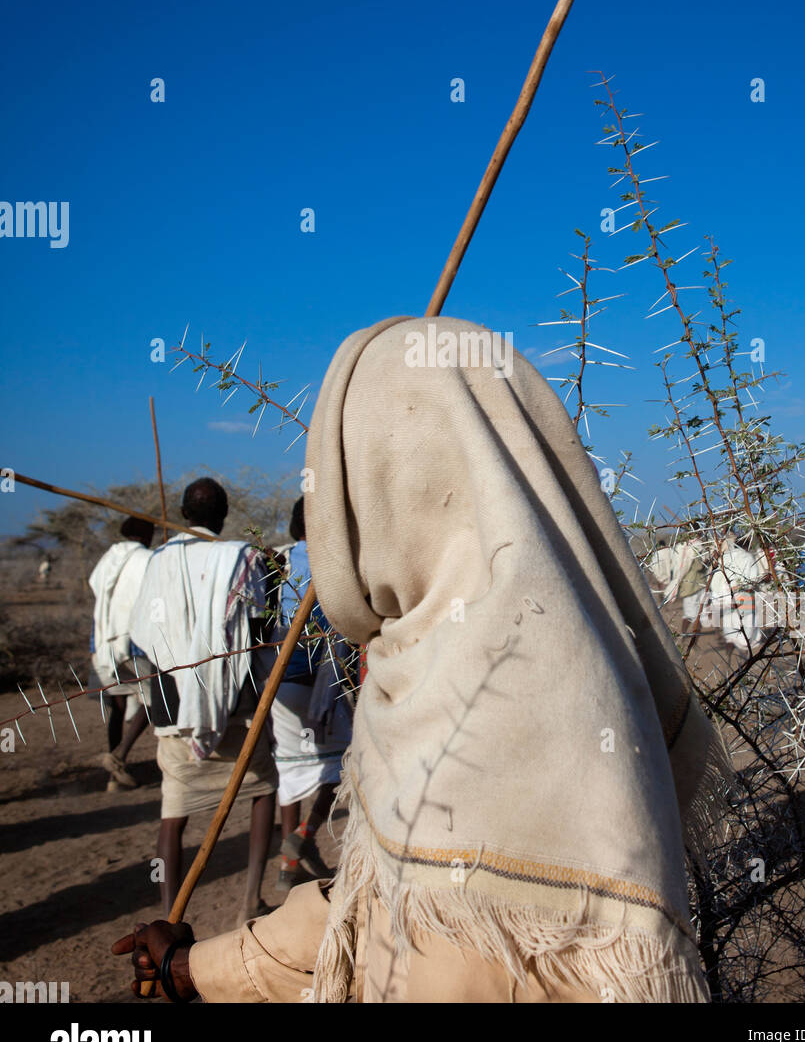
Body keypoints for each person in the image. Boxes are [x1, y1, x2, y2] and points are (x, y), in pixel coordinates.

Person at [115, 318, 728, 1003]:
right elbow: (381, 909)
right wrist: (196, 970)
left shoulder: (468, 701)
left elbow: (421, 951)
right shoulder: (591, 655)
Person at [128, 477, 278, 923]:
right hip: (235, 701)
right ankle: (251, 897)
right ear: (225, 513)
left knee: (172, 814)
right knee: (264, 788)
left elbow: (143, 634)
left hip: (172, 704)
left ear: (184, 513)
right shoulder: (242, 558)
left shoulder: (158, 560)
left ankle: (169, 911)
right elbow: (256, 625)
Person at [269, 497, 356, 893]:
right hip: (320, 682)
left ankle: (290, 863)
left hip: (280, 684)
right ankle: (304, 835)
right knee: (345, 764)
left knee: (288, 769)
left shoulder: (280, 562)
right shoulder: (337, 563)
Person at [87, 516, 156, 790]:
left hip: (102, 641)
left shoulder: (107, 559)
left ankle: (114, 778)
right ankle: (119, 756)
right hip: (132, 640)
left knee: (116, 706)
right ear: (147, 535)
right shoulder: (148, 559)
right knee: (156, 699)